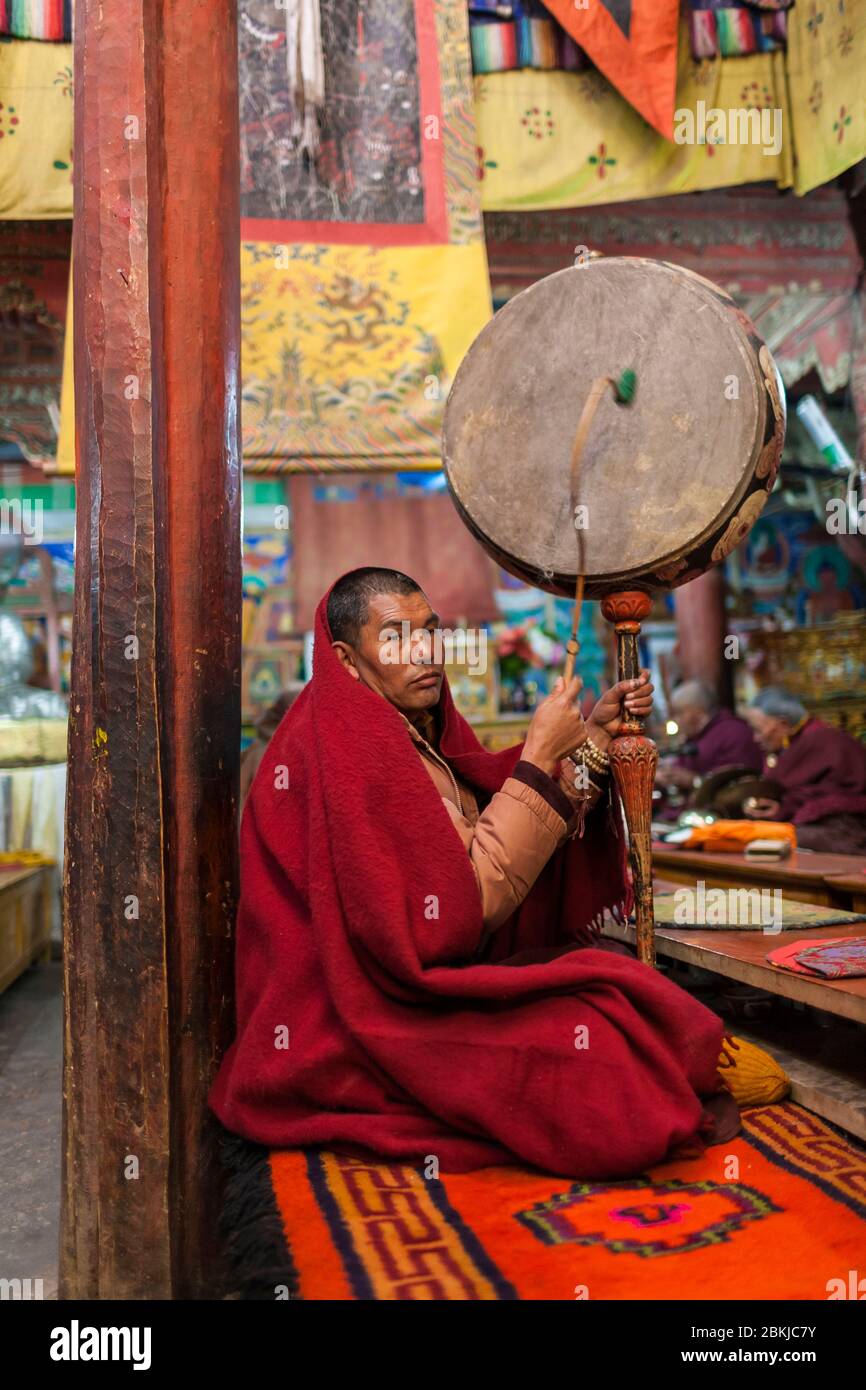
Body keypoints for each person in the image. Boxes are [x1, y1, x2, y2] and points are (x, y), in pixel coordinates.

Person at [210, 567, 738, 1179]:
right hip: (349, 1024)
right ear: (347, 661)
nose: (424, 652)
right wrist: (539, 756)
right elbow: (464, 908)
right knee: (598, 1054)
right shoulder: (349, 745)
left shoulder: (409, 730)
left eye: (431, 632)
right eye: (396, 637)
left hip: (404, 993)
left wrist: (589, 738)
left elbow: (488, 820)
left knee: (617, 994)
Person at [745, 687, 866, 853]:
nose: (755, 738)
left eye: (758, 730)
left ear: (783, 724)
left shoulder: (824, 740)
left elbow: (841, 795)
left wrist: (784, 808)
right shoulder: (786, 746)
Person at [661, 679, 762, 797]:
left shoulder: (733, 732)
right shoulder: (694, 736)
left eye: (680, 713)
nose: (677, 720)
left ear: (698, 711)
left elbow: (737, 780)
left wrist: (694, 781)